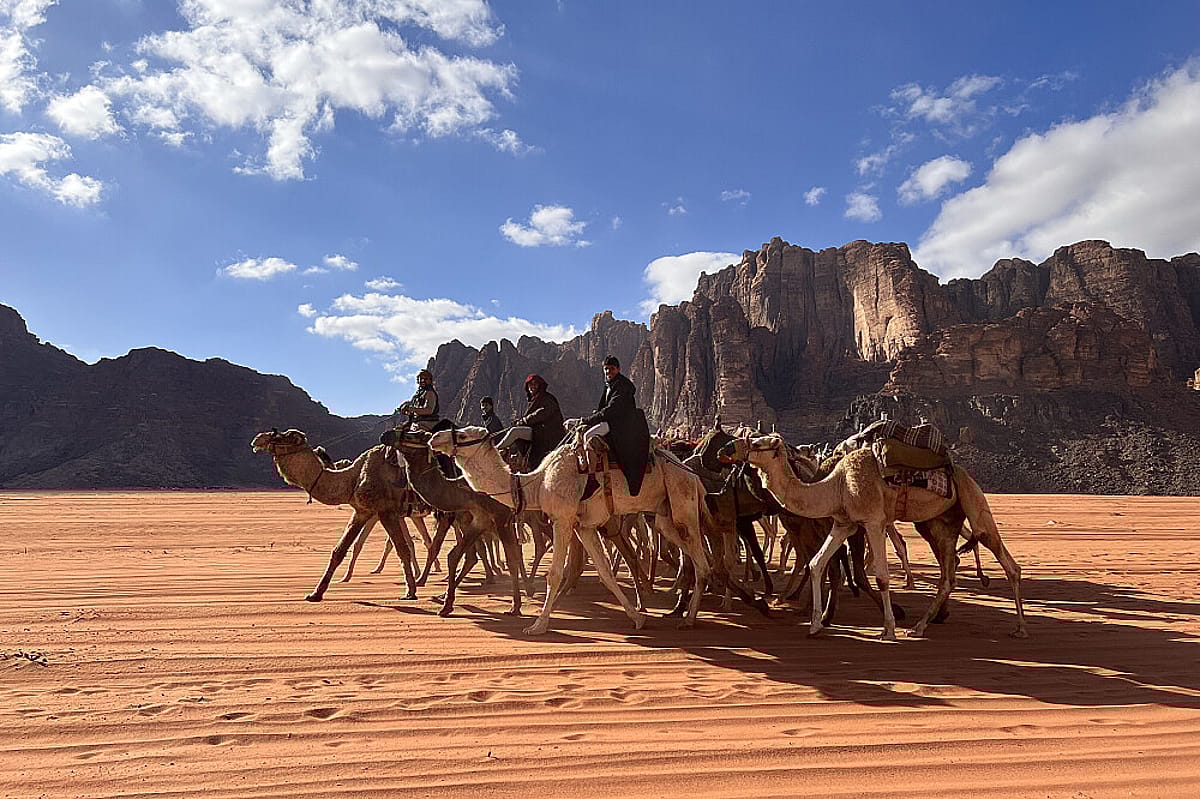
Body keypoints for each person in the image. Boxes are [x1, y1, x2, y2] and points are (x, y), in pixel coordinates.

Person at [570, 355, 651, 495]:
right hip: (611, 420)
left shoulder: (622, 386)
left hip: (620, 424)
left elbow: (611, 410)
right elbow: (604, 409)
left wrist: (587, 420)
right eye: (606, 369)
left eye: (612, 369)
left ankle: (591, 478)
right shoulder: (610, 384)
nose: (608, 372)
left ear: (618, 369)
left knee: (589, 436)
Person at [495, 374, 565, 469]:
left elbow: (540, 414)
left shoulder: (547, 399)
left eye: (535, 384)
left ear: (540, 386)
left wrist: (523, 421)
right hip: (539, 431)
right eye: (530, 384)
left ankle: (495, 449)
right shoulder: (535, 399)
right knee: (516, 432)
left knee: (515, 432)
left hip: (548, 434)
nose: (532, 386)